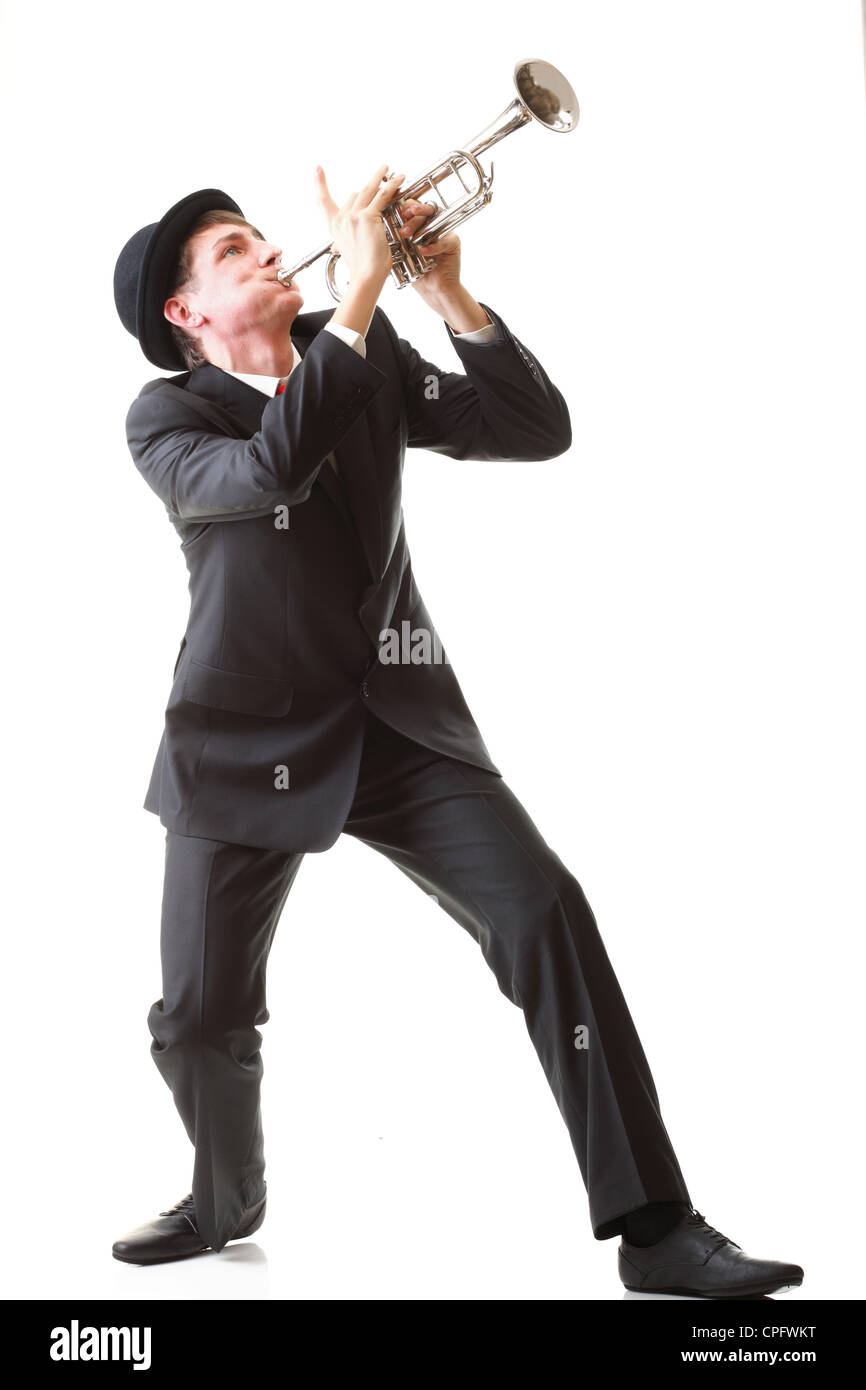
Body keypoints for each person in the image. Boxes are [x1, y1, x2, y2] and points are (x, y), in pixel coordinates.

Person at [110, 166, 803, 1296]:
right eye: (232, 251)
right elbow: (267, 465)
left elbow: (533, 429)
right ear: (185, 314)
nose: (268, 250)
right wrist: (355, 304)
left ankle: (655, 1226)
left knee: (543, 909)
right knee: (198, 1017)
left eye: (253, 234)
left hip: (395, 722)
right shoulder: (169, 418)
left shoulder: (367, 356)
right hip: (237, 747)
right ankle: (223, 1197)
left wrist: (446, 298)